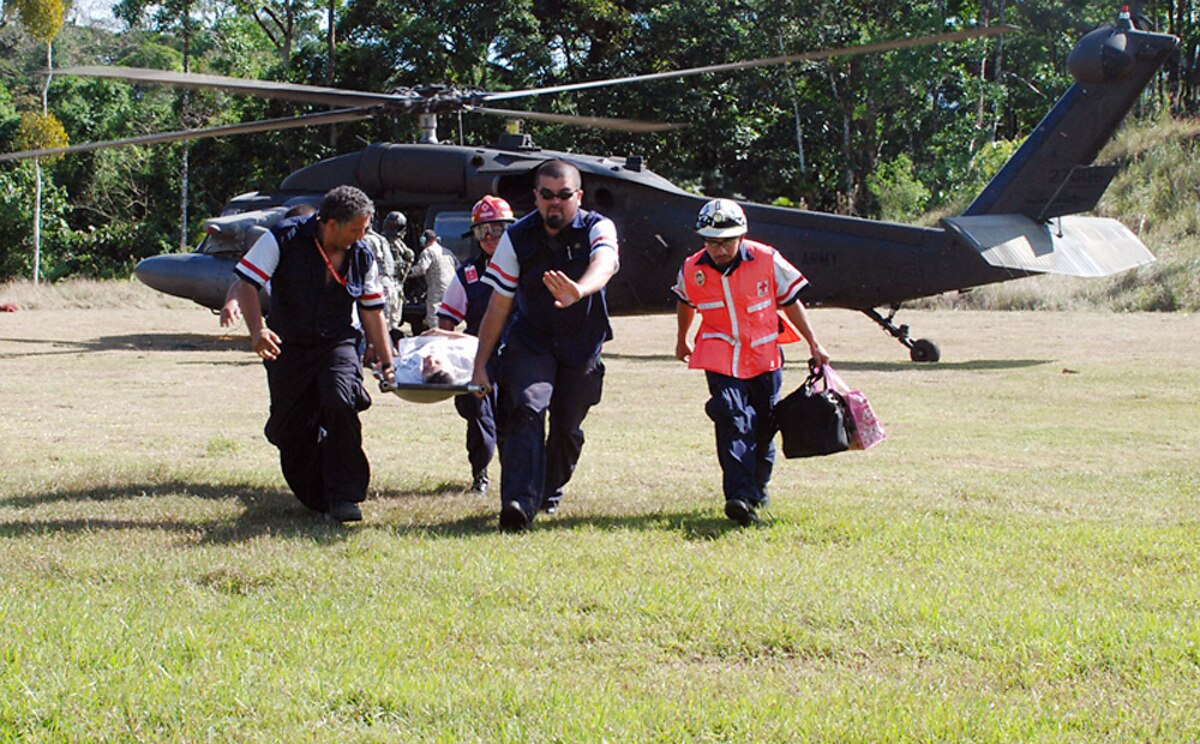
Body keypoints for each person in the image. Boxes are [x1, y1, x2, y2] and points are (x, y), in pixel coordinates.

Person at [230, 185, 396, 523]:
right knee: (290, 429)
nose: (362, 235)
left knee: (340, 401)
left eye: (365, 228)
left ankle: (345, 496)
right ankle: (318, 495)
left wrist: (388, 361)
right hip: (288, 347)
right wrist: (258, 330)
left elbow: (373, 311)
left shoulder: (362, 254)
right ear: (330, 223)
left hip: (337, 343)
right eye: (356, 228)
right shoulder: (284, 238)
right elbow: (247, 284)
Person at [471, 160, 619, 531]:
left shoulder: (598, 227)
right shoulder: (516, 237)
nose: (556, 203)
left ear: (578, 196)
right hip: (531, 340)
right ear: (536, 196)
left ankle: (548, 491)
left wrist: (580, 289)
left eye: (565, 195)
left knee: (567, 429)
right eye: (547, 195)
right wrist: (480, 364)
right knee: (526, 409)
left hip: (581, 342)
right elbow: (499, 305)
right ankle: (518, 502)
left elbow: (606, 262)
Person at [673, 198, 830, 526]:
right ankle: (739, 496)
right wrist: (682, 337)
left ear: (741, 236)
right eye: (712, 242)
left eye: (726, 241)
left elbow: (790, 301)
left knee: (763, 426)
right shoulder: (692, 268)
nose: (719, 249)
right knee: (731, 419)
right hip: (720, 355)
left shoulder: (767, 259)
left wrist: (814, 343)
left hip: (763, 356)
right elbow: (685, 301)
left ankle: (757, 488)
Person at [438, 195, 516, 496]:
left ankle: (516, 476)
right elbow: (447, 318)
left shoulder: (526, 267)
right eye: (482, 231)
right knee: (479, 417)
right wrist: (447, 355)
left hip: (517, 356)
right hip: (478, 359)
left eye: (496, 229)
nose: (489, 238)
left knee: (516, 418)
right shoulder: (467, 274)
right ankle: (480, 475)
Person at [220, 203, 316, 329]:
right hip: (286, 327)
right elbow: (244, 282)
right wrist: (231, 303)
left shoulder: (332, 252)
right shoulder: (276, 251)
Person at [409, 228, 456, 332]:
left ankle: (436, 336)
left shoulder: (428, 251)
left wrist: (406, 273)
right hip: (451, 288)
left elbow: (421, 269)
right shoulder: (447, 252)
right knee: (447, 314)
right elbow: (458, 267)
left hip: (437, 288)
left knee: (434, 316)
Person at [381, 211, 414, 335]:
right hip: (388, 282)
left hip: (397, 284)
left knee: (395, 318)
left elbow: (408, 256)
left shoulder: (399, 243)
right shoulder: (383, 242)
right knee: (387, 318)